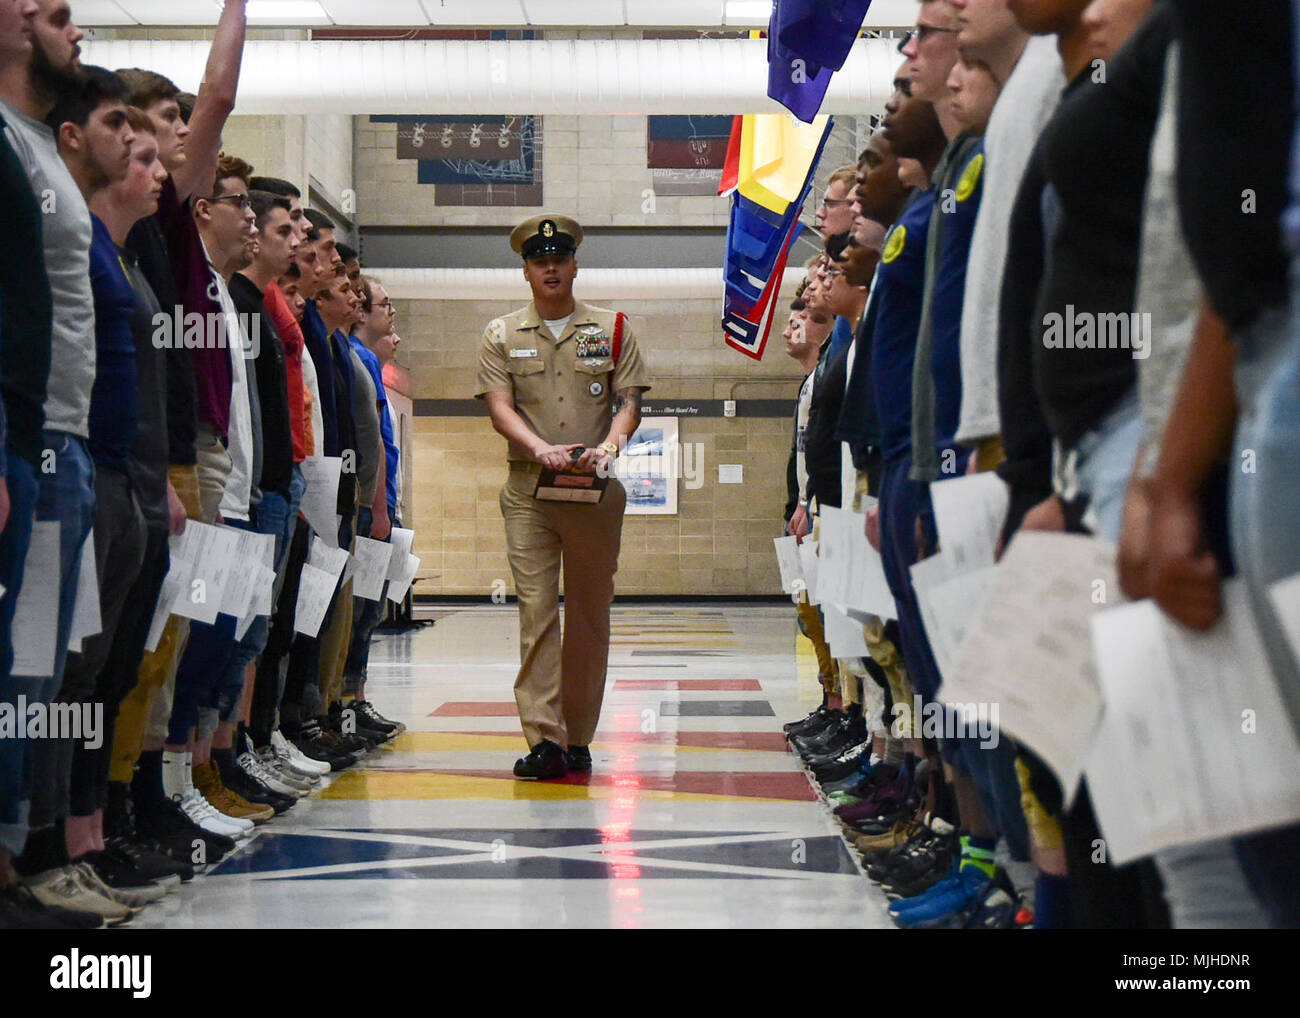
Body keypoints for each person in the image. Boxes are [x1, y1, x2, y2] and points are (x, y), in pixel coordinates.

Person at [475, 214, 651, 780]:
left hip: (594, 492)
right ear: (526, 270)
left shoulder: (613, 328)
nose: (550, 267)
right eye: (538, 260)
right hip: (529, 490)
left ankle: (578, 736)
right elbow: (500, 407)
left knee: (591, 616)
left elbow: (628, 402)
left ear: (574, 265)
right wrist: (539, 447)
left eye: (560, 258)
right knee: (536, 611)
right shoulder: (502, 334)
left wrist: (612, 446)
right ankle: (545, 739)